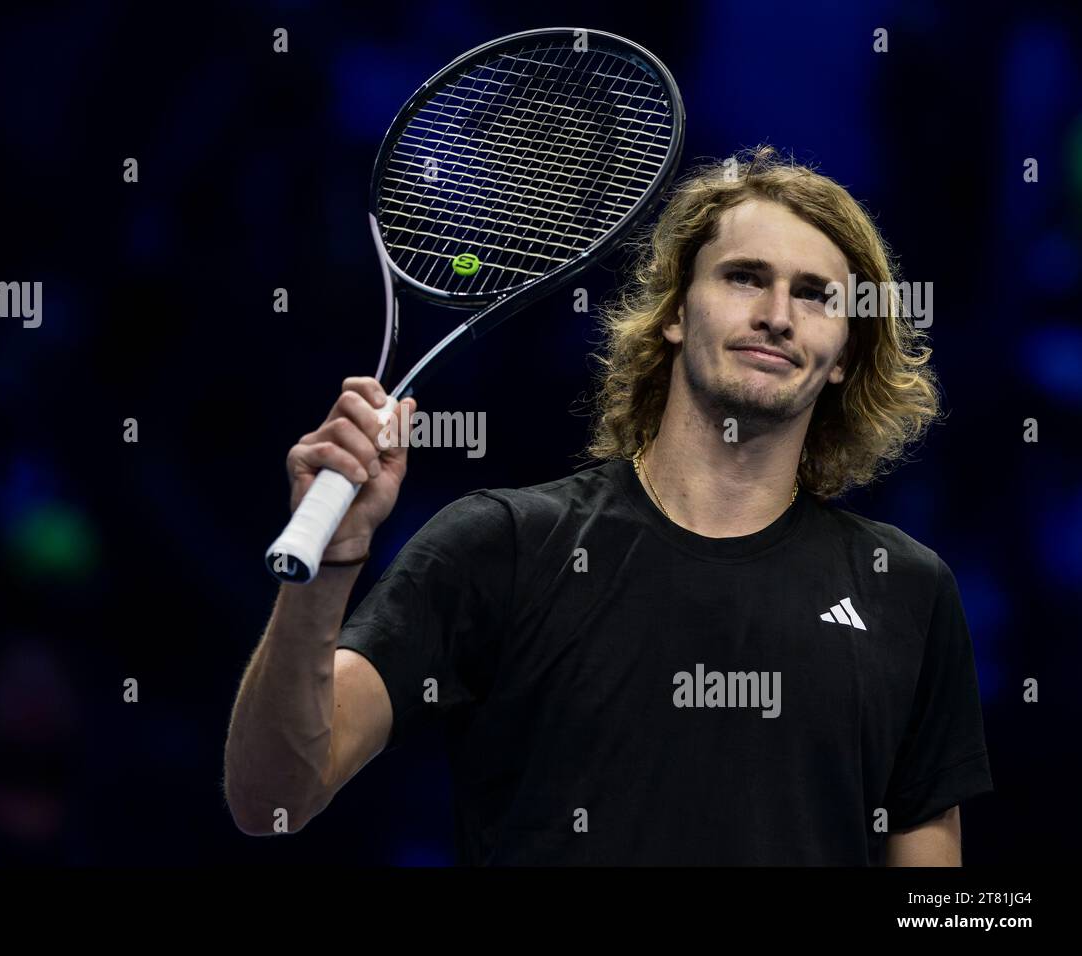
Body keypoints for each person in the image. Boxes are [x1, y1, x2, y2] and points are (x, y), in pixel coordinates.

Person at [223, 147, 993, 865]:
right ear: (675, 313)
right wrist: (324, 572)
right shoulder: (502, 546)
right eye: (744, 277)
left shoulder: (906, 589)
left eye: (817, 296)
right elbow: (274, 798)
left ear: (843, 355)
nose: (778, 315)